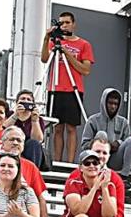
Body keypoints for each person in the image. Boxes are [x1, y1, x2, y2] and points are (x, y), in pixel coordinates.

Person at [59, 139, 131, 217]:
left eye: (96, 162)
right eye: (87, 163)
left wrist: (103, 189)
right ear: (80, 167)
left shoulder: (111, 182)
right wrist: (94, 188)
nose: (92, 165)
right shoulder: (74, 180)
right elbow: (78, 211)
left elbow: (112, 214)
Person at [39, 12, 92, 167]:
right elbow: (44, 58)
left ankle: (69, 163)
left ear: (73, 24)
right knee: (57, 127)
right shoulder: (54, 42)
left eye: (67, 22)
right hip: (55, 88)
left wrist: (66, 52)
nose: (64, 26)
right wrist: (46, 39)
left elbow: (85, 69)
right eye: (61, 23)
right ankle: (56, 161)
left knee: (71, 127)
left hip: (73, 88)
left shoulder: (83, 45)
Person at [79, 88, 131, 174]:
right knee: (101, 134)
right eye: (110, 103)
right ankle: (98, 170)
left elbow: (129, 144)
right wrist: (100, 144)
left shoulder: (123, 122)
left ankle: (125, 176)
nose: (113, 106)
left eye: (116, 104)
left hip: (115, 159)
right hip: (96, 161)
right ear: (104, 103)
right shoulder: (93, 120)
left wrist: (118, 143)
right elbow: (84, 145)